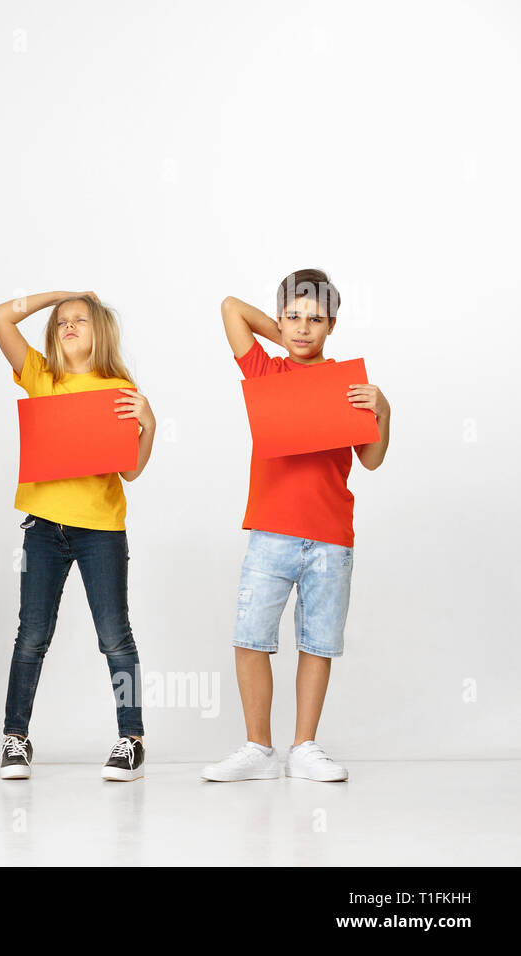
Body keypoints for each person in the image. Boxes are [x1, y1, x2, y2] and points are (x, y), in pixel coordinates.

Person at [203, 269, 390, 783]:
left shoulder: (346, 385)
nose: (303, 327)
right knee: (250, 638)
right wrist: (284, 336)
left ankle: (304, 746)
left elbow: (372, 459)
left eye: (315, 320)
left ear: (332, 325)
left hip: (330, 537)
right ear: (280, 319)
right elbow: (231, 307)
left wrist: (383, 410)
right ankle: (258, 748)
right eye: (293, 317)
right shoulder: (268, 373)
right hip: (270, 532)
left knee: (317, 644)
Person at [0, 290, 156, 782]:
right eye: (62, 321)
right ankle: (15, 738)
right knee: (32, 635)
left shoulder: (117, 388)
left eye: (80, 319)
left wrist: (148, 424)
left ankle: (132, 739)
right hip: (44, 529)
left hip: (101, 530)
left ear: (99, 330)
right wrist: (58, 297)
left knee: (115, 635)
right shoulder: (41, 377)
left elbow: (131, 471)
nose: (68, 325)